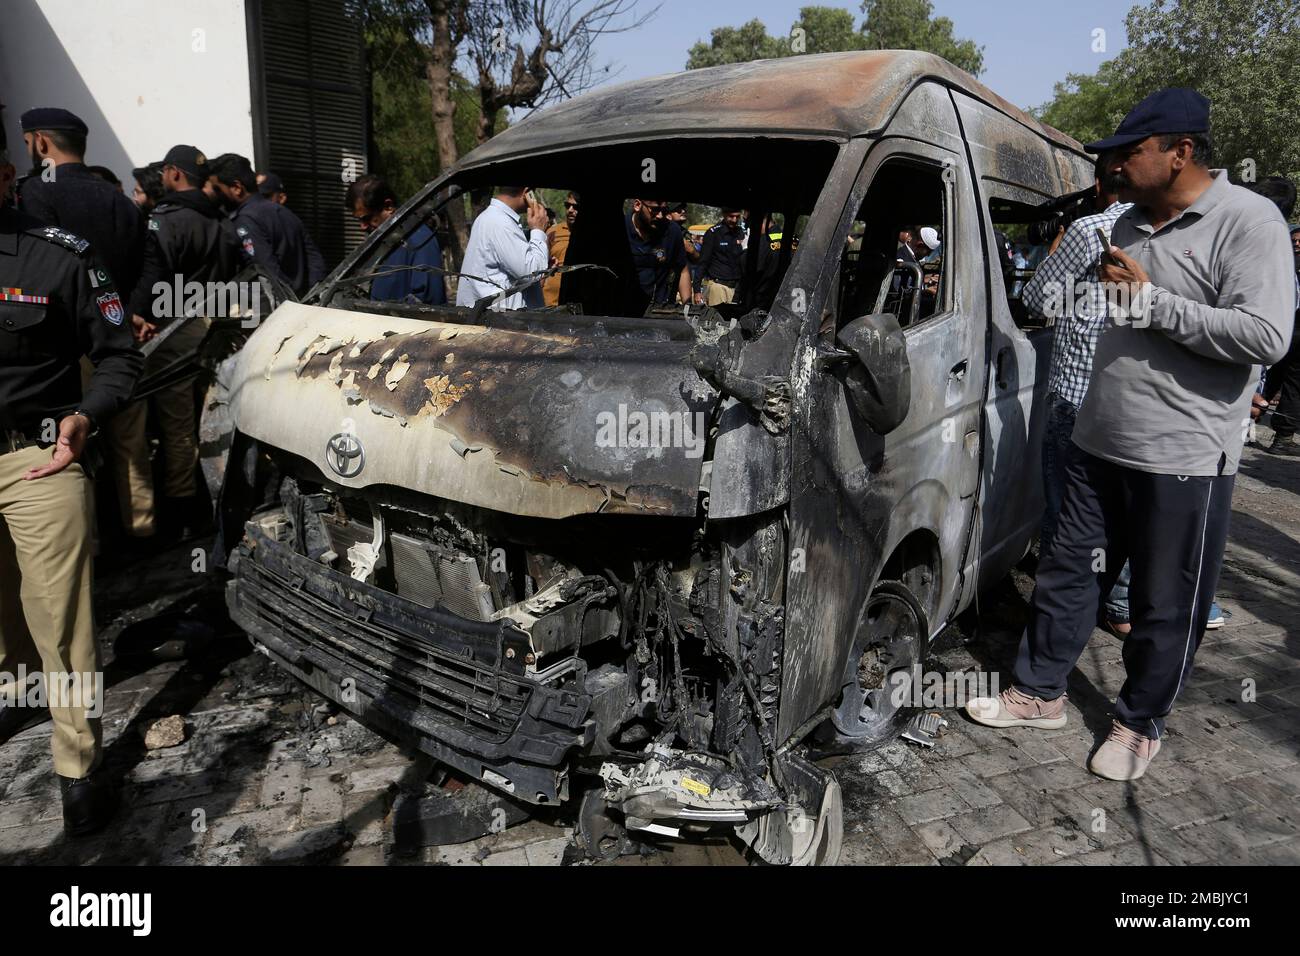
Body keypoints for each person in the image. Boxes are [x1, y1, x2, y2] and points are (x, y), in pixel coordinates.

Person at [966, 89, 1294, 781]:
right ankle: (1038, 693)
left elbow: (1266, 334)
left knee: (1163, 599)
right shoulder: (1125, 225)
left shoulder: (1248, 221)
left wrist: (1152, 305)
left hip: (1184, 455)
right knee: (1065, 574)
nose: (1113, 165)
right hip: (1095, 437)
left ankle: (1138, 722)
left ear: (1181, 151)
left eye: (1128, 152)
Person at [0, 127, 143, 835]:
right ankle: (14, 691)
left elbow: (118, 357)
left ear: (5, 174)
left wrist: (86, 415)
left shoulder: (61, 256)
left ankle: (79, 770)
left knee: (65, 624)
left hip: (37, 458)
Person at [16, 109, 154, 544]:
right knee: (131, 441)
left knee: (70, 442)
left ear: (40, 143)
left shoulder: (37, 193)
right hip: (118, 336)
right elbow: (146, 263)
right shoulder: (120, 200)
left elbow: (43, 268)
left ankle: (89, 543)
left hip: (65, 343)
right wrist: (125, 310)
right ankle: (142, 528)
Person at [1019, 155, 1134, 636]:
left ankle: (1055, 620)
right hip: (1130, 404)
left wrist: (1060, 243)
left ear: (1098, 182)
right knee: (1122, 518)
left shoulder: (1090, 230)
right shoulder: (1163, 232)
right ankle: (1119, 605)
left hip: (1075, 397)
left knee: (1066, 519)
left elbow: (1035, 299)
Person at [130, 145, 243, 539]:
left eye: (164, 171)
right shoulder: (223, 221)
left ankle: (184, 508)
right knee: (215, 415)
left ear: (174, 174)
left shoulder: (166, 219)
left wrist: (139, 313)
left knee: (178, 423)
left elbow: (154, 273)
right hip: (218, 328)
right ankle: (220, 500)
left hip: (177, 329)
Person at [209, 153, 326, 297]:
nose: (215, 194)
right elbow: (315, 261)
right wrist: (309, 298)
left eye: (217, 189)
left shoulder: (245, 221)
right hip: (301, 303)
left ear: (237, 188)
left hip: (281, 308)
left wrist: (289, 302)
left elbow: (267, 273)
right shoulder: (283, 212)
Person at [347, 174, 446, 305]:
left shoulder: (420, 240)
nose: (363, 227)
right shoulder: (381, 242)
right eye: (359, 220)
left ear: (388, 206)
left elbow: (426, 303)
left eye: (367, 218)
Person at [456, 186, 548, 310]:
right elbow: (533, 273)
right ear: (526, 192)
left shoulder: (492, 218)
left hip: (497, 316)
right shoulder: (501, 223)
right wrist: (538, 230)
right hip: (502, 320)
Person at [625, 198, 691, 314]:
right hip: (623, 311)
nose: (660, 216)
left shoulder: (672, 231)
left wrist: (687, 307)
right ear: (637, 205)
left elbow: (682, 270)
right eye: (655, 210)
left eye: (664, 210)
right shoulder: (619, 228)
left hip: (660, 311)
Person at [694, 208, 745, 306]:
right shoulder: (713, 233)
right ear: (724, 214)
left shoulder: (741, 233)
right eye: (731, 216)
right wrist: (697, 291)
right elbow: (703, 262)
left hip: (738, 289)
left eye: (737, 217)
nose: (734, 220)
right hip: (719, 288)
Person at [543, 191, 578, 306]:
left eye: (575, 206)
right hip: (551, 302)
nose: (570, 210)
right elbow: (541, 264)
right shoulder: (553, 231)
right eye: (568, 206)